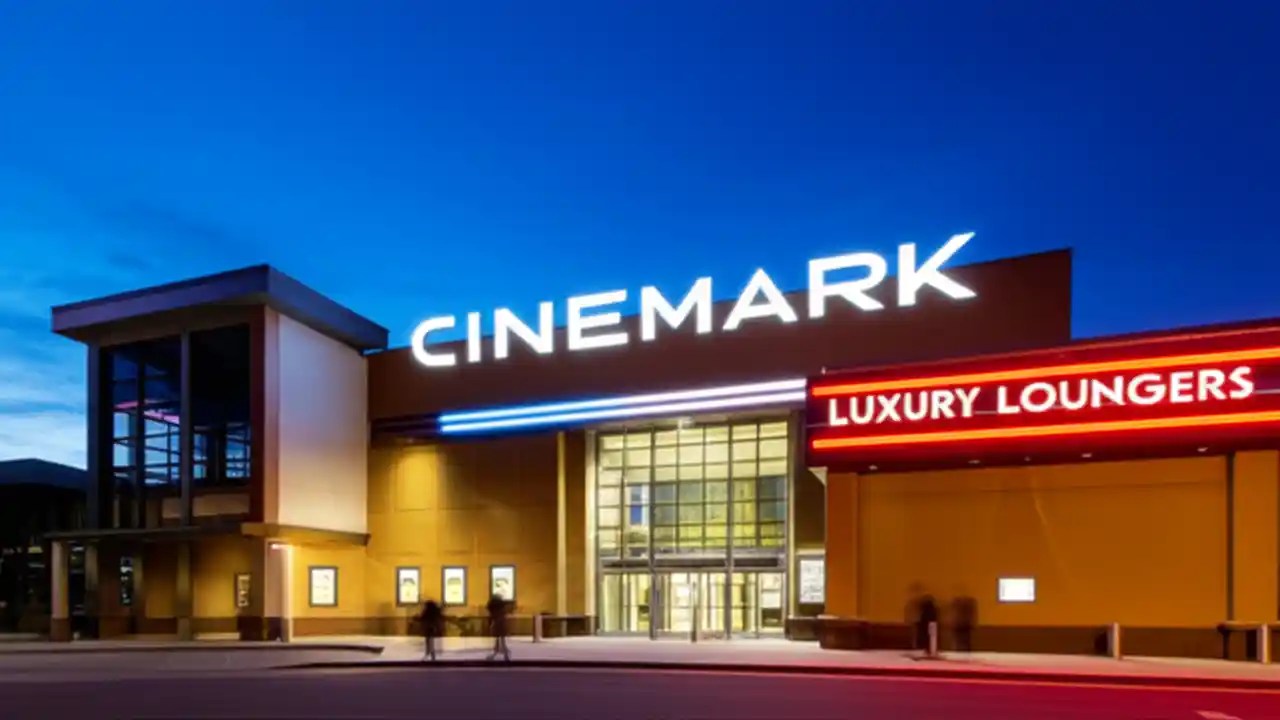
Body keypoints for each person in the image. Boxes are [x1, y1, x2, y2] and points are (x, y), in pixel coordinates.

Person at [487, 593, 511, 662]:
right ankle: (505, 654)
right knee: (502, 640)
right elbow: (505, 615)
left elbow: (491, 617)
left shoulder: (492, 608)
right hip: (502, 624)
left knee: (497, 638)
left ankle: (497, 650)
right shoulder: (502, 606)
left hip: (496, 624)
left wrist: (490, 624)